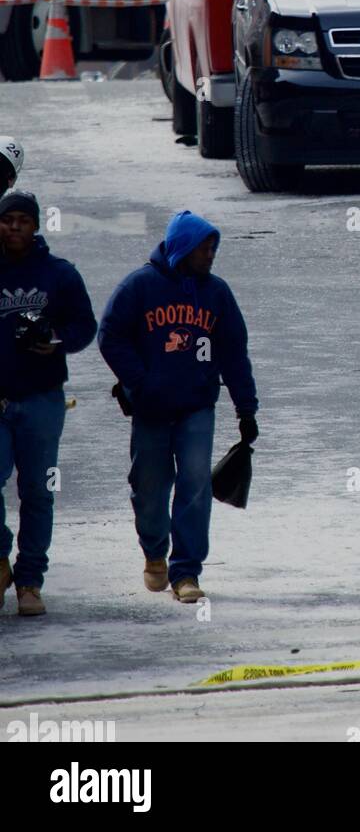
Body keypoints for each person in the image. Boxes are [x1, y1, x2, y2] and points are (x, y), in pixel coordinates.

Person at [98, 211, 259, 603]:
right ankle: (155, 551)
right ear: (183, 247)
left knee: (195, 483)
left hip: (197, 405)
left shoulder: (217, 293)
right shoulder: (140, 286)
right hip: (151, 408)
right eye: (204, 248)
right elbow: (111, 335)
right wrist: (141, 382)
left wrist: (246, 408)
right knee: (149, 487)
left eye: (213, 247)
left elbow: (234, 352)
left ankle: (186, 571)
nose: (211, 254)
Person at [0, 191, 97, 618]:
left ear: (36, 226)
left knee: (39, 492)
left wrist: (56, 339)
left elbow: (85, 326)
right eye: (7, 219)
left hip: (43, 399)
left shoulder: (60, 274)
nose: (14, 227)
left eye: (23, 220)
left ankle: (30, 581)